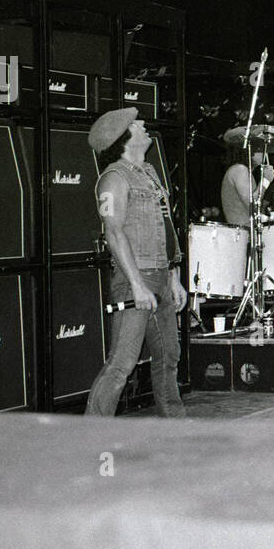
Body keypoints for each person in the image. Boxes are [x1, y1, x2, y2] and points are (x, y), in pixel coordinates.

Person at [84, 108, 188, 417]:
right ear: (124, 137)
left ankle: (175, 424)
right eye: (136, 124)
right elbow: (114, 234)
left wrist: (173, 276)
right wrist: (137, 285)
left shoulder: (151, 173)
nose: (143, 126)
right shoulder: (114, 177)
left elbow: (166, 227)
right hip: (136, 278)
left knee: (169, 356)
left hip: (159, 275)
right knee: (122, 363)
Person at [220, 151, 274, 226]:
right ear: (250, 151)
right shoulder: (239, 170)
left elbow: (252, 212)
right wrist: (266, 181)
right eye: (260, 150)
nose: (265, 152)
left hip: (244, 231)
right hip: (240, 233)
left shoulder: (245, 171)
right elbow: (252, 204)